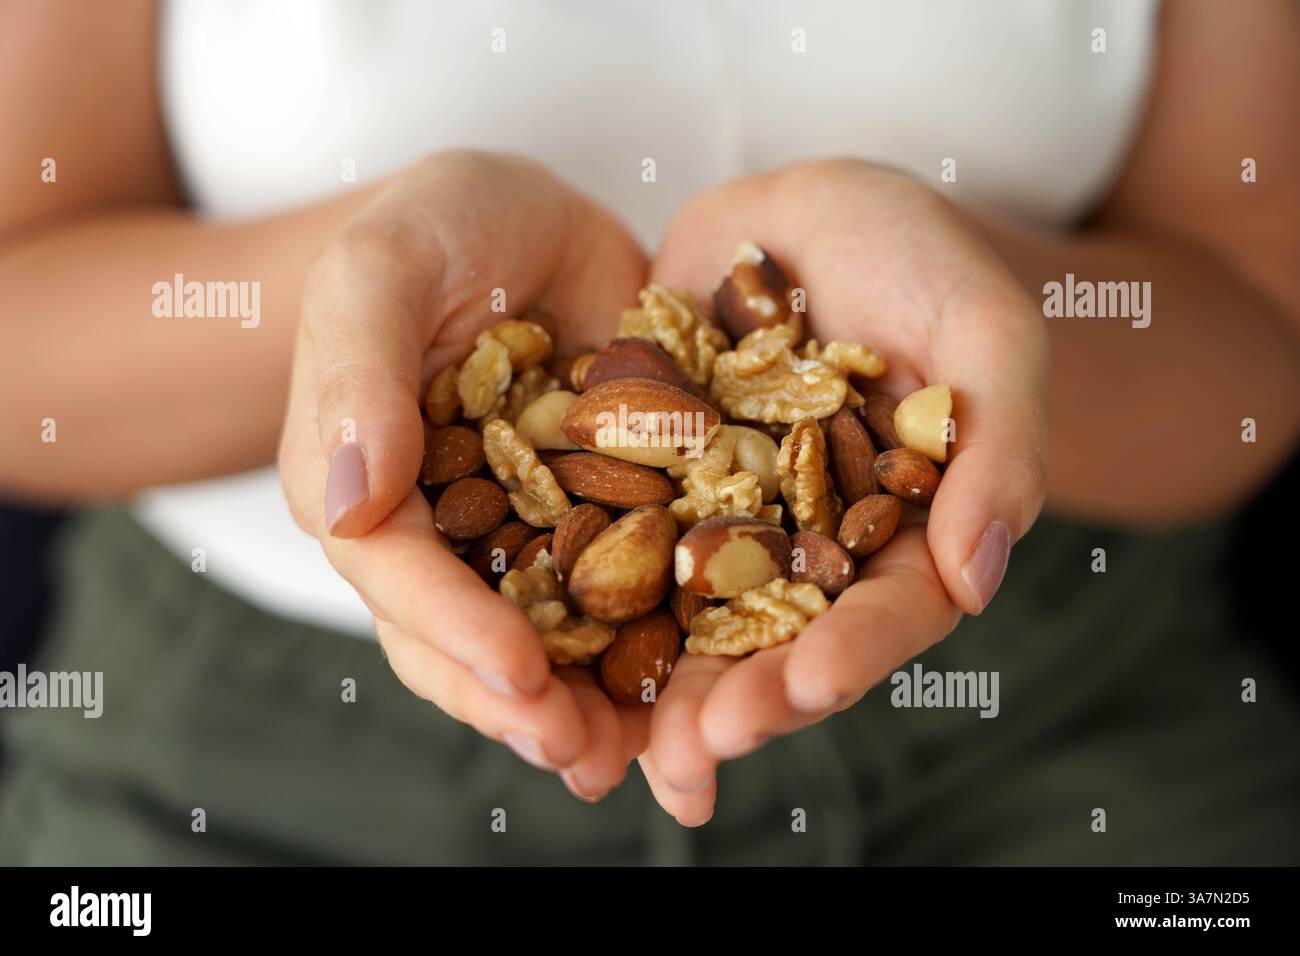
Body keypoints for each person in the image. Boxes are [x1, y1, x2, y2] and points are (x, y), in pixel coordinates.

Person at [0, 0, 1296, 865]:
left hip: (1050, 717)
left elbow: (1258, 350)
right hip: (251, 758)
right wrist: (366, 303)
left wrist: (991, 311)